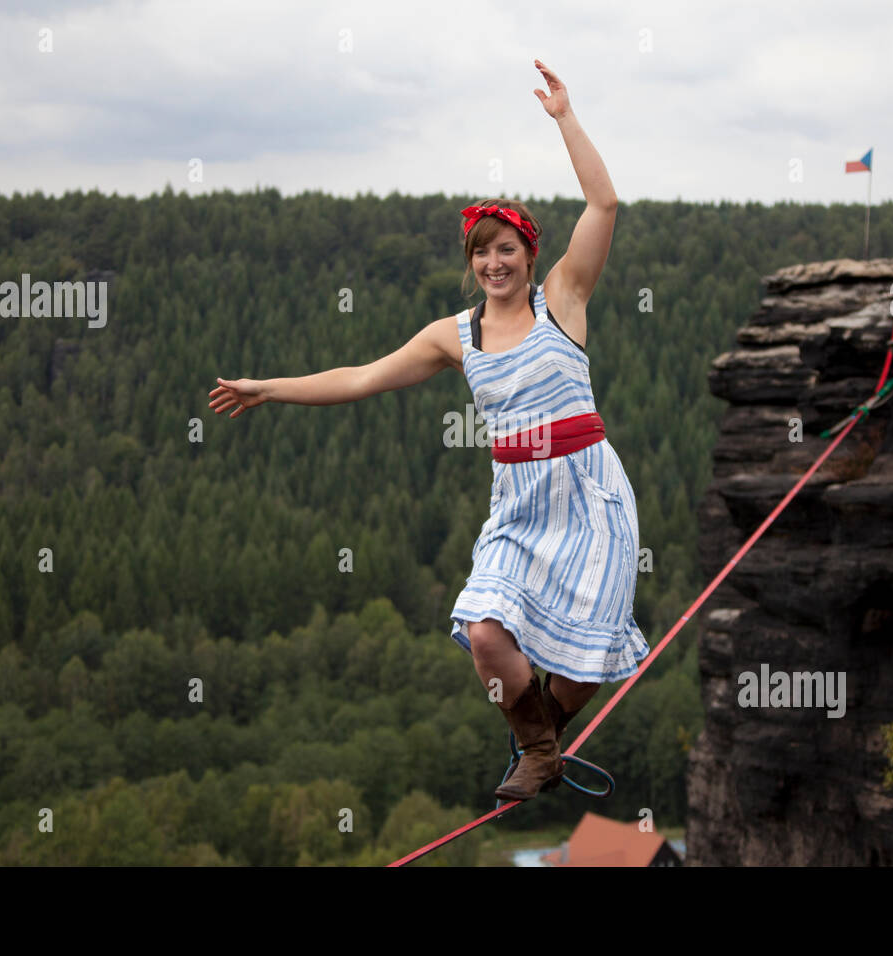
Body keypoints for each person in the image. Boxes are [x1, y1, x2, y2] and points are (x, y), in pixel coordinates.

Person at [209, 59, 649, 801]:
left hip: (589, 488)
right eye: (480, 252)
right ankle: (539, 750)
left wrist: (564, 118)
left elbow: (604, 203)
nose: (492, 262)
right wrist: (268, 389)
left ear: (528, 255)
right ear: (471, 262)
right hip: (520, 501)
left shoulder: (563, 301)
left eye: (505, 249)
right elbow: (359, 378)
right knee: (483, 631)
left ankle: (540, 746)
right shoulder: (456, 336)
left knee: (582, 667)